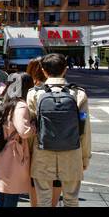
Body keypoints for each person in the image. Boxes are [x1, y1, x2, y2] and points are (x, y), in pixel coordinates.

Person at [27, 53, 91, 208]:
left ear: (43, 70)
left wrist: (30, 155)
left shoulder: (34, 93)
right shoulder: (78, 93)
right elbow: (85, 129)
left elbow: (31, 129)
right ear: (65, 69)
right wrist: (85, 157)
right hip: (72, 152)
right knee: (71, 200)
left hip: (42, 153)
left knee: (43, 201)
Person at [0, 73, 35, 207]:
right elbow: (24, 131)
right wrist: (34, 127)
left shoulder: (1, 100)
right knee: (10, 194)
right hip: (12, 155)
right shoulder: (20, 105)